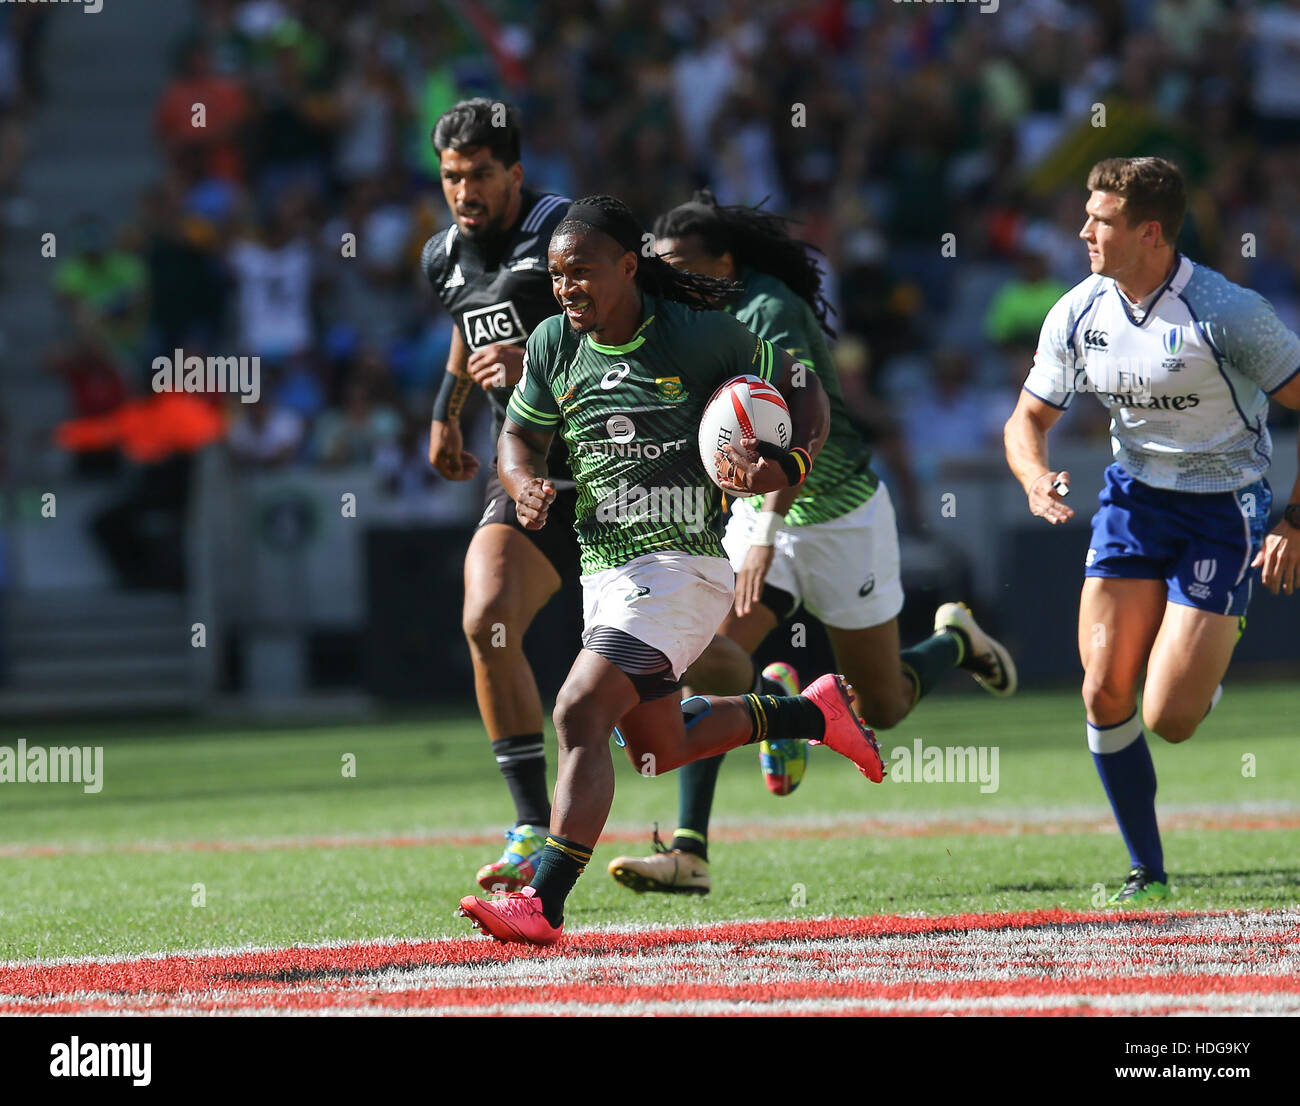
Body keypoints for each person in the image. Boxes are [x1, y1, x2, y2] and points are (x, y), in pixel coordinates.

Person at [458, 196, 886, 946]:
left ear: (629, 268)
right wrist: (522, 478)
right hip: (607, 571)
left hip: (684, 564)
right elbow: (519, 437)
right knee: (657, 748)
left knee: (578, 711)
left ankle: (544, 903)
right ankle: (812, 714)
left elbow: (804, 387)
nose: (566, 289)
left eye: (582, 273)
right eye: (557, 276)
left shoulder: (700, 336)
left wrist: (791, 460)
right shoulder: (556, 341)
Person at [606, 193, 1018, 895]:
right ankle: (692, 847)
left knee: (883, 705)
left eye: (680, 265)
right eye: (659, 267)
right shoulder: (676, 315)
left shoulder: (770, 311)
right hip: (755, 518)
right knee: (708, 659)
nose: (667, 278)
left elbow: (796, 427)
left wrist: (766, 526)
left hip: (839, 517)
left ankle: (954, 641)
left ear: (724, 263)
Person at [1004, 156, 1300, 906]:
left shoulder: (1225, 312)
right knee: (1104, 691)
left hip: (1222, 510)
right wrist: (1035, 475)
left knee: (1170, 718)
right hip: (1132, 503)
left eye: (1100, 220)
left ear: (1151, 233)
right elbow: (1027, 420)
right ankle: (1148, 869)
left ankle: (1203, 666)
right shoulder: (1077, 310)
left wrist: (1294, 519)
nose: (1083, 232)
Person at [421, 99, 574, 892]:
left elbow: (630, 324)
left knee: (673, 687)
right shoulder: (442, 255)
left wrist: (538, 360)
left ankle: (792, 710)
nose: (464, 190)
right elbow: (466, 317)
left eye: (480, 174)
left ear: (514, 172)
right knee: (487, 619)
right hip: (527, 472)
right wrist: (446, 416)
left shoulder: (566, 233)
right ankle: (530, 826)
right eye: (451, 176)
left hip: (622, 468)